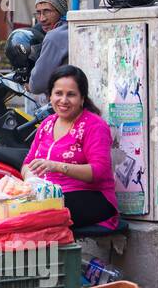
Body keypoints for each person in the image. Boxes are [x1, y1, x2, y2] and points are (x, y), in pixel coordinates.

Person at [22, 65, 119, 231]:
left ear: (82, 98)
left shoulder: (94, 125)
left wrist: (58, 167)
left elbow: (99, 171)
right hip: (48, 196)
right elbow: (28, 162)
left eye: (71, 94)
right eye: (58, 93)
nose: (64, 100)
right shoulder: (47, 124)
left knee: (36, 216)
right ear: (50, 96)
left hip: (92, 198)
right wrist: (30, 178)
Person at [28, 0, 70, 97]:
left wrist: (29, 85)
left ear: (61, 10)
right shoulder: (70, 29)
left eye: (47, 11)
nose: (42, 19)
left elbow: (37, 85)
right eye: (38, 13)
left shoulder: (54, 36)